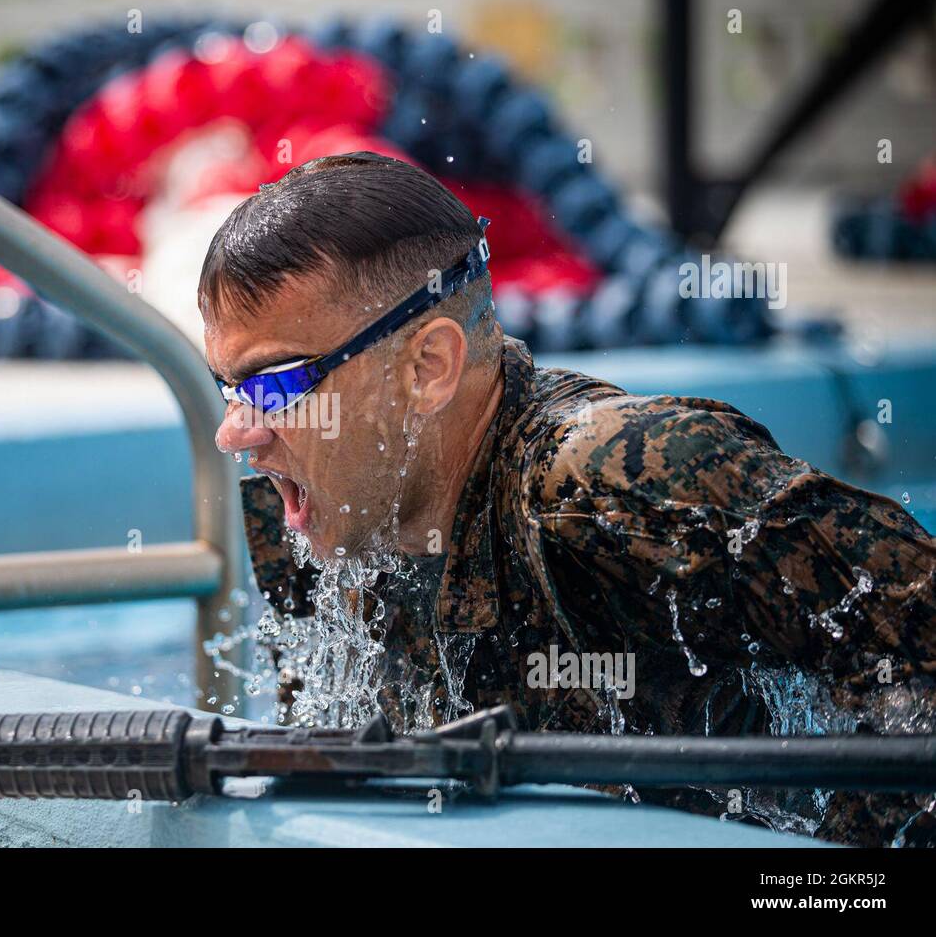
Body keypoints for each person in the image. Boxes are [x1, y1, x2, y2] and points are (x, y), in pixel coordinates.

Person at [198, 151, 936, 846]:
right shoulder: (314, 527)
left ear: (426, 367)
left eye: (274, 387)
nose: (237, 433)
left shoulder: (619, 482)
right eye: (228, 390)